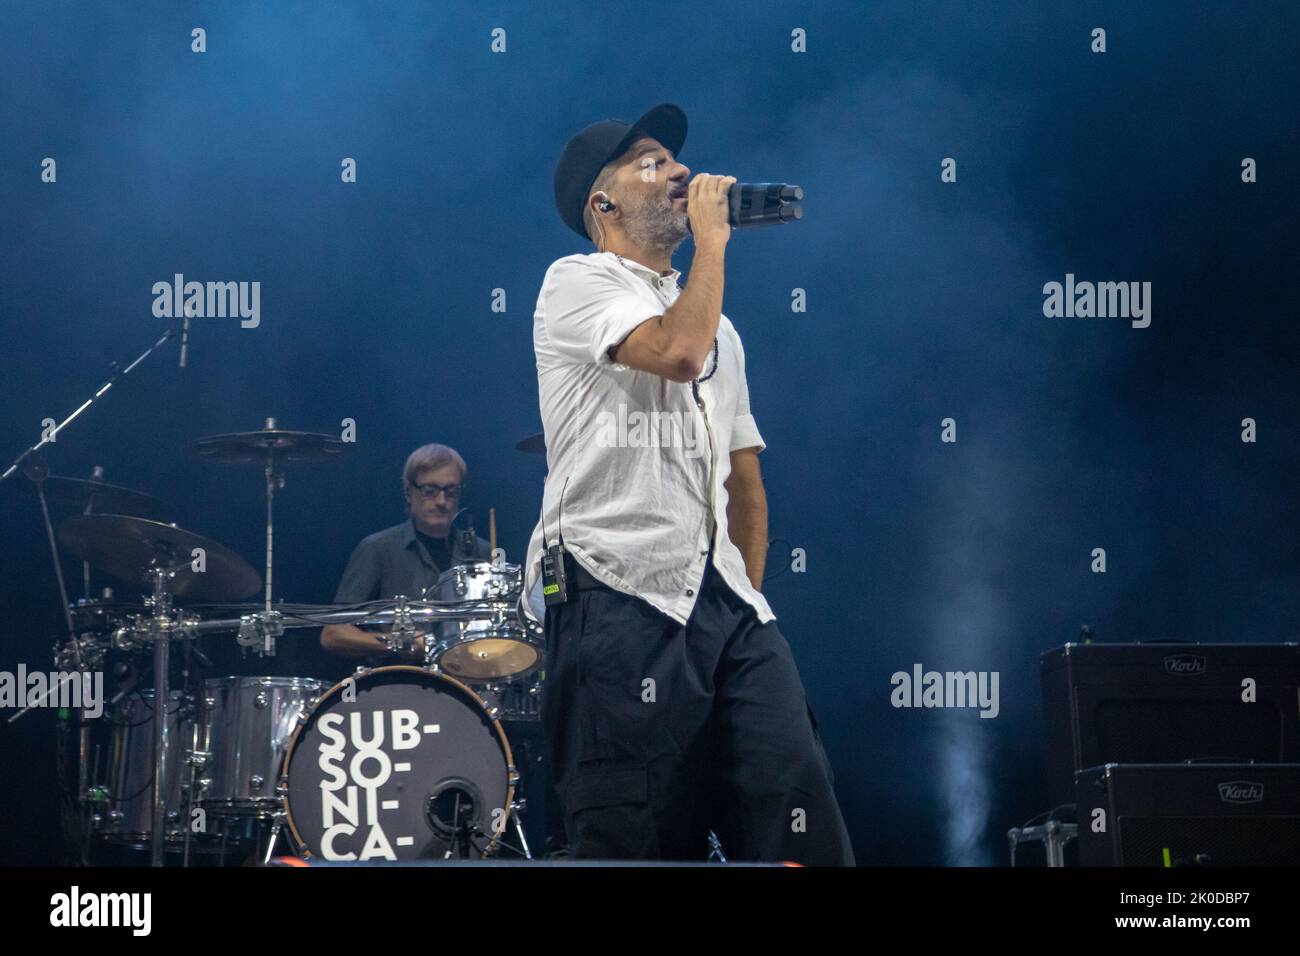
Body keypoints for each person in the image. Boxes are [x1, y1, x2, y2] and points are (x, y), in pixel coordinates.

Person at [525, 103, 855, 864]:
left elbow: (746, 481)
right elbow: (674, 352)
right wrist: (714, 243)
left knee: (794, 786)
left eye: (677, 161)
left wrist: (742, 599)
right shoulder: (575, 282)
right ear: (600, 204)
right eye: (650, 163)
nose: (679, 172)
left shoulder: (720, 329)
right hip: (613, 588)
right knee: (635, 832)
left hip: (723, 602)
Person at [321, 443, 491, 662]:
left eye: (451, 492)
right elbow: (333, 634)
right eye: (429, 490)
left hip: (468, 683)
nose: (441, 501)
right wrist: (400, 642)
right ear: (408, 491)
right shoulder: (378, 548)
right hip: (400, 684)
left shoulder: (482, 552)